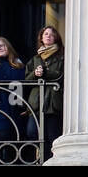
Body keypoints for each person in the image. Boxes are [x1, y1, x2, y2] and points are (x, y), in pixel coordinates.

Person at [24, 25, 63, 161]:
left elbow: (61, 75)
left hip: (53, 102)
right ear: (41, 37)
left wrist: (45, 72)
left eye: (52, 34)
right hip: (36, 102)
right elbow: (26, 79)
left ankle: (51, 161)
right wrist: (35, 74)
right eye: (46, 34)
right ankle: (43, 158)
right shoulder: (35, 58)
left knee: (52, 135)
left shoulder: (62, 57)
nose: (48, 36)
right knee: (32, 131)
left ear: (56, 38)